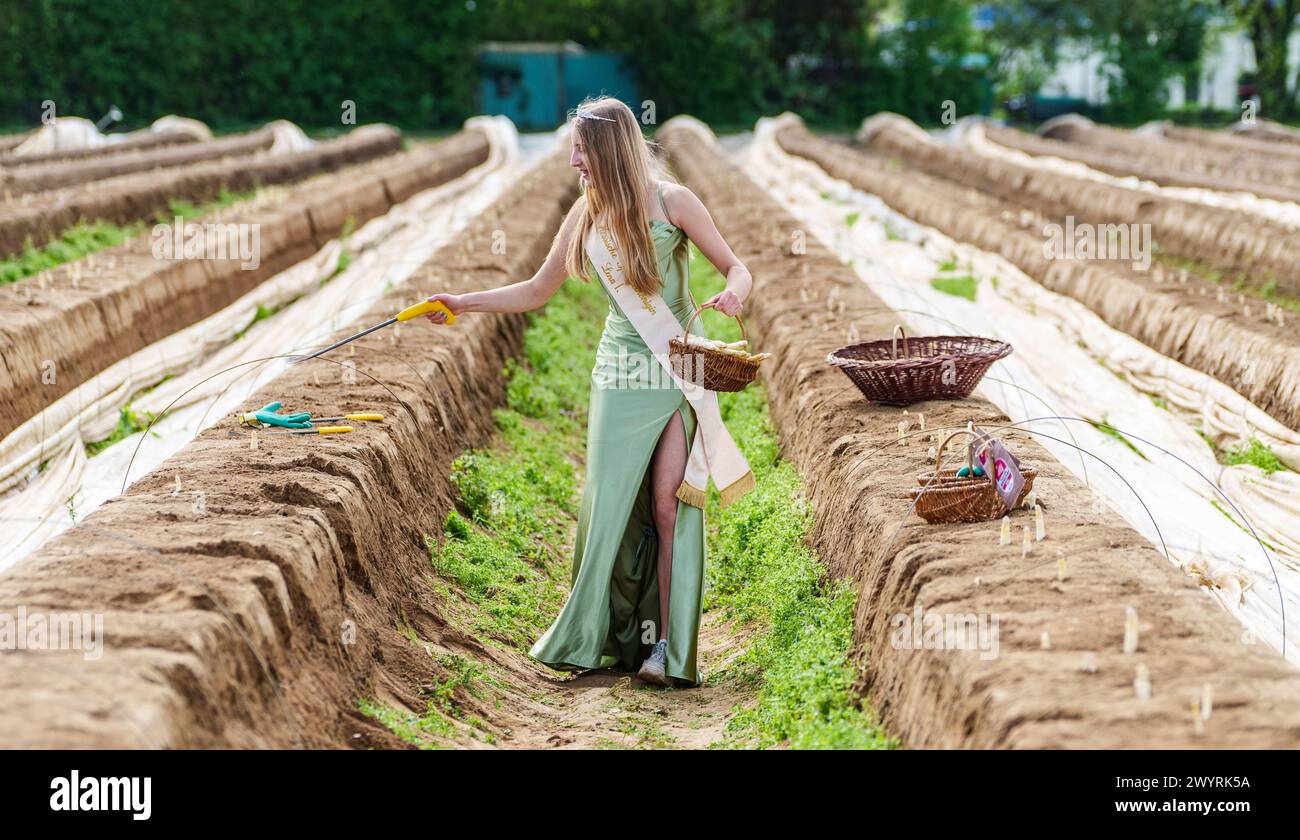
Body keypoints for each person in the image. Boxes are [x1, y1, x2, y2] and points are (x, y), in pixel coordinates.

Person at [422, 96, 754, 686]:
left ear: (606, 148)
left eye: (580, 147)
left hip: (673, 366)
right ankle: (600, 634)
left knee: (668, 505)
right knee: (608, 511)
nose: (573, 159)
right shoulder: (586, 214)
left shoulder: (674, 201)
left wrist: (734, 293)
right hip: (618, 375)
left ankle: (671, 651)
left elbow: (737, 267)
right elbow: (533, 290)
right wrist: (461, 302)